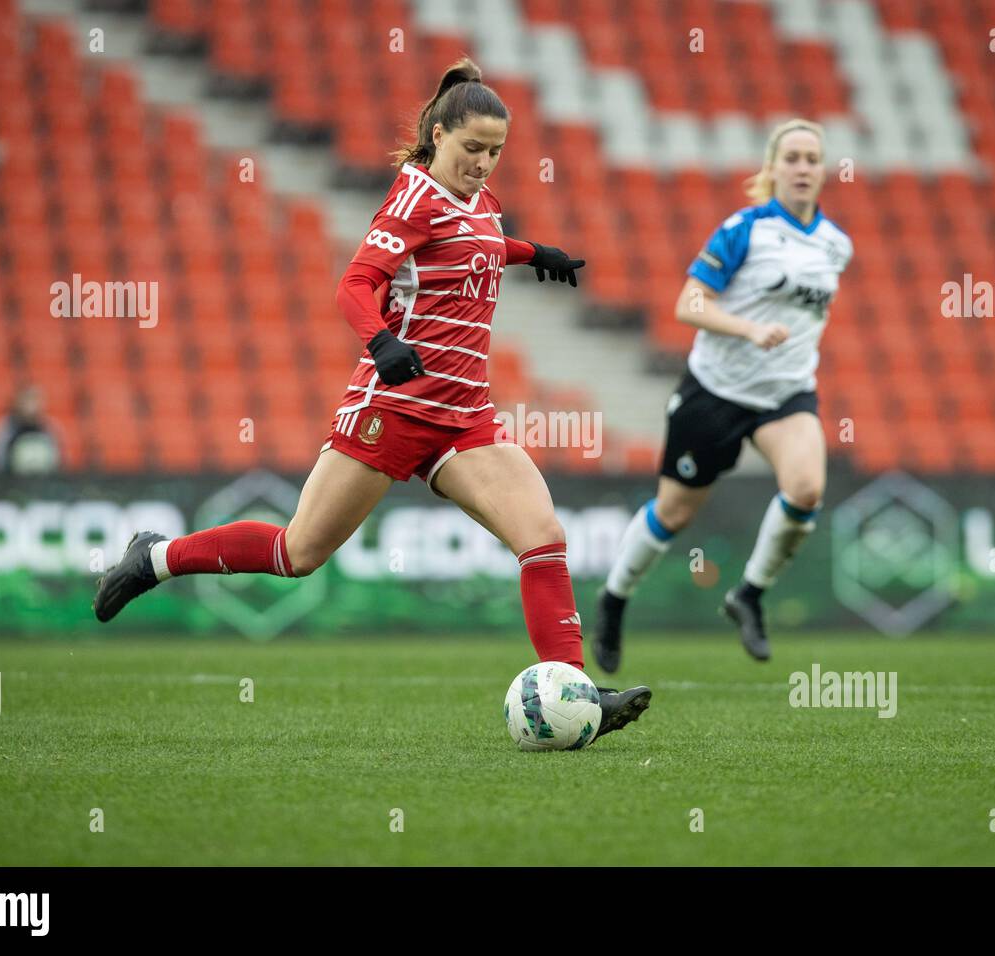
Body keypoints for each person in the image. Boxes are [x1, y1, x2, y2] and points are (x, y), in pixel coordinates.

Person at [93, 58, 651, 739]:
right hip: (391, 408)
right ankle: (154, 557)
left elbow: (473, 244)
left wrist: (534, 253)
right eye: (472, 148)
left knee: (542, 538)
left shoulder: (480, 201)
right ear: (439, 136)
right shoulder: (412, 197)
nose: (483, 164)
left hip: (464, 416)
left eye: (495, 153)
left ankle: (580, 691)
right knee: (296, 553)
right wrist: (382, 342)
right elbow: (355, 284)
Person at [592, 118, 852, 672]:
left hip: (786, 392)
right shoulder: (745, 229)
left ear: (823, 169)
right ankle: (614, 598)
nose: (803, 167)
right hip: (716, 390)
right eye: (794, 157)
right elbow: (689, 305)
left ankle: (749, 595)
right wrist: (749, 330)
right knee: (675, 512)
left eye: (813, 158)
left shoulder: (836, 245)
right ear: (773, 167)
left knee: (806, 490)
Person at [0, 385, 61, 475]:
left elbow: (57, 461)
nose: (31, 407)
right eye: (27, 401)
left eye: (34, 401)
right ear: (18, 403)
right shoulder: (5, 429)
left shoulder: (49, 428)